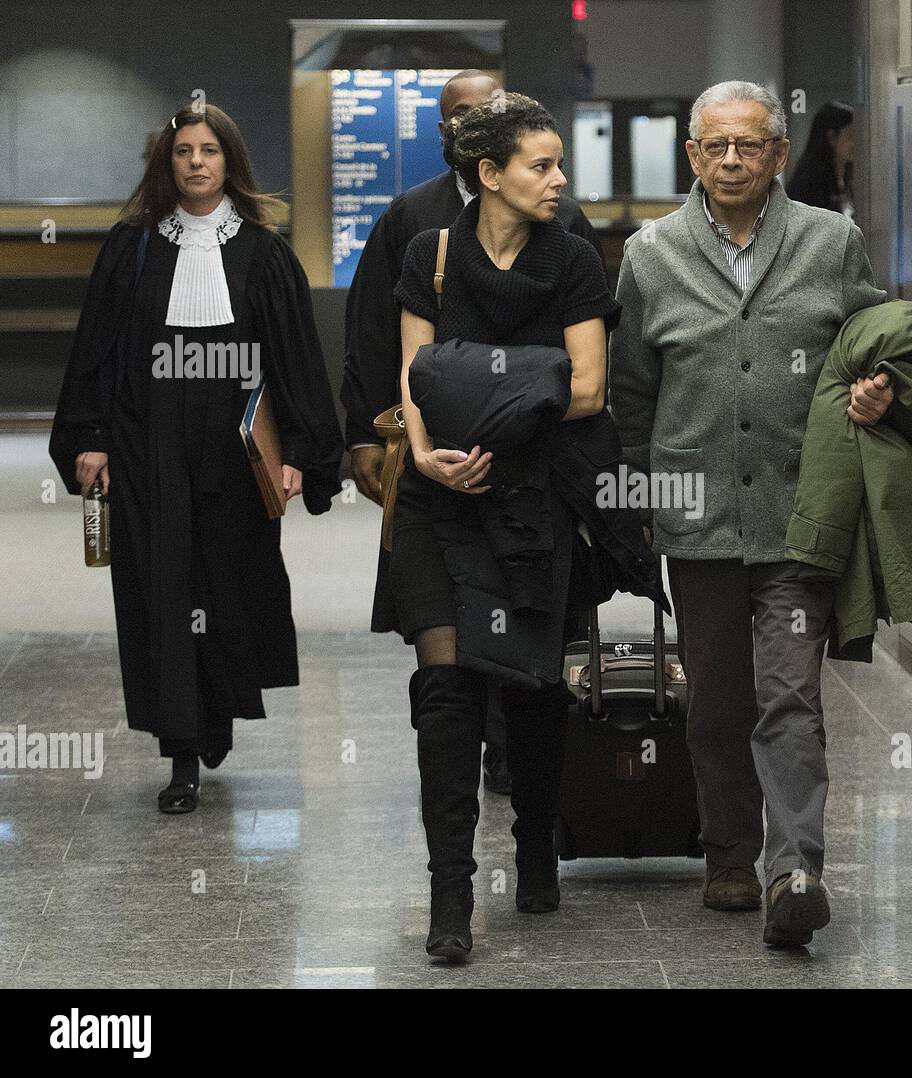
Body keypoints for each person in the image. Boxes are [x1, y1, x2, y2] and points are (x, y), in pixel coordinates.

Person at [609, 80, 891, 947]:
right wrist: (640, 506)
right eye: (715, 146)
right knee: (718, 703)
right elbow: (631, 396)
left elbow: (875, 343)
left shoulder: (828, 241)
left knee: (791, 696)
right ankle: (729, 853)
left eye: (750, 145)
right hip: (694, 521)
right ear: (692, 155)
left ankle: (794, 867)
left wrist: (882, 391)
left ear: (777, 153)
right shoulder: (651, 254)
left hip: (799, 514)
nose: (732, 160)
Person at [389, 91, 657, 963]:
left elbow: (587, 388)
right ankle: (451, 894)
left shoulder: (575, 259)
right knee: (446, 691)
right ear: (489, 174)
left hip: (540, 499)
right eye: (541, 165)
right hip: (442, 502)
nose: (558, 179)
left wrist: (486, 414)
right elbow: (411, 377)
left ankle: (536, 842)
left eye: (557, 163)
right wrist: (426, 453)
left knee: (537, 687)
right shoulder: (430, 257)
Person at [49, 105, 343, 813]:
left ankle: (213, 718)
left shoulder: (264, 254)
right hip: (149, 444)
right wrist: (89, 437)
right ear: (167, 163)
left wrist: (301, 452)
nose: (197, 162)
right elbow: (95, 351)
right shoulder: (132, 247)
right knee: (163, 590)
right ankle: (180, 751)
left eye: (210, 150)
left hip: (237, 453)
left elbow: (296, 360)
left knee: (228, 586)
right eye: (183, 151)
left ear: (229, 160)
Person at [343, 68, 605, 797]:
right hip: (444, 477)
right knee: (447, 662)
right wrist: (381, 440)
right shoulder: (416, 224)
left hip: (536, 480)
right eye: (459, 116)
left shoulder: (567, 232)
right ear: (454, 141)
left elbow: (586, 376)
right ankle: (454, 866)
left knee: (530, 663)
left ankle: (525, 814)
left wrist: (493, 400)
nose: (554, 179)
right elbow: (381, 341)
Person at [784, 100, 855, 217]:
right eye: (850, 135)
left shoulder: (848, 177)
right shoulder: (809, 185)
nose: (856, 142)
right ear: (832, 137)